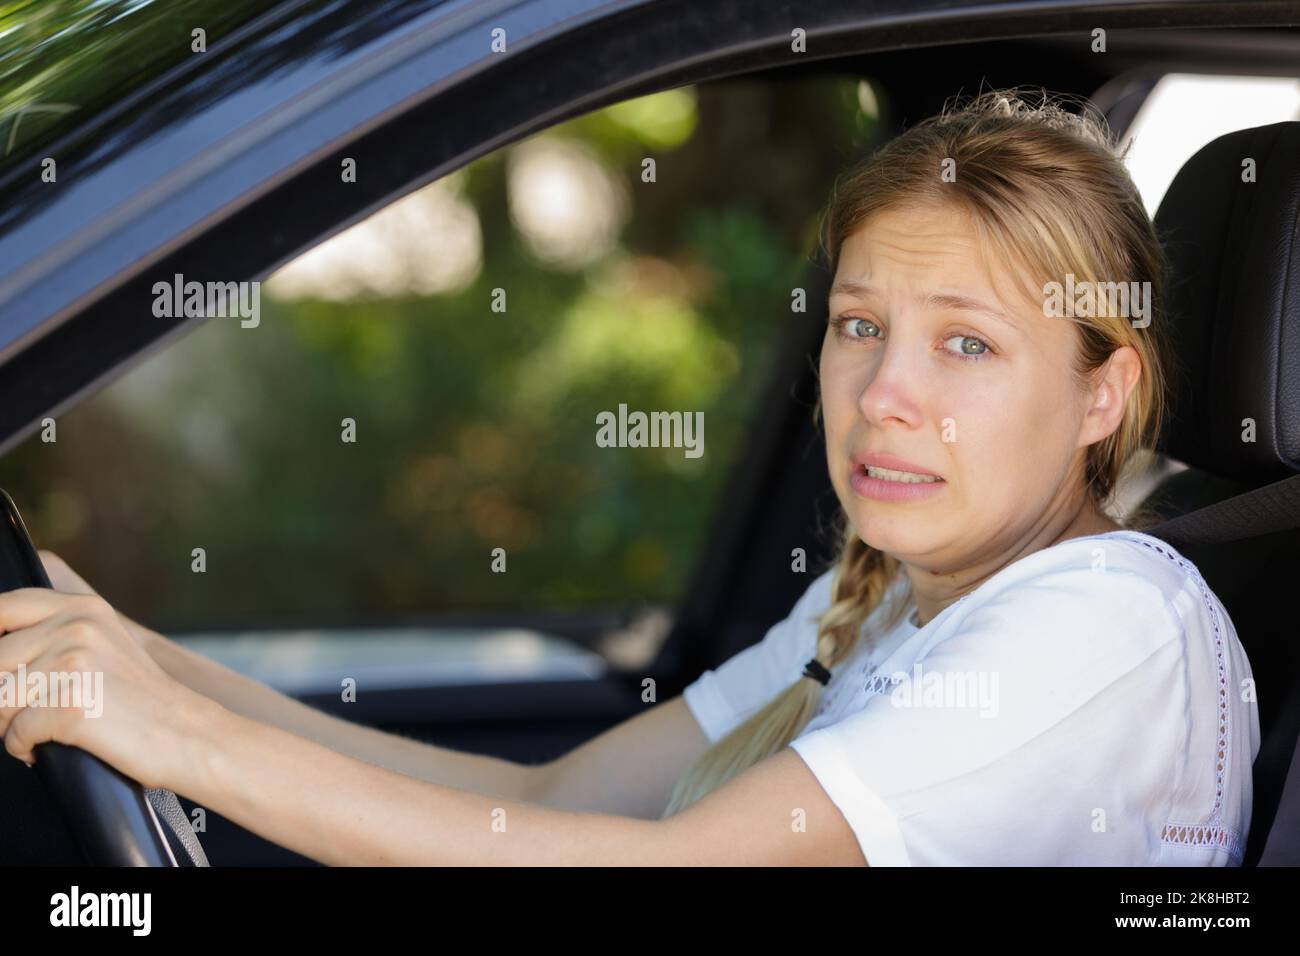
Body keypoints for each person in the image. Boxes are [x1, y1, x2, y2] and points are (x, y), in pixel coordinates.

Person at [0, 88, 1258, 865]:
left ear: (1103, 390)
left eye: (966, 343)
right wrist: (142, 659)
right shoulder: (885, 600)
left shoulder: (1105, 626)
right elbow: (537, 802)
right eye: (860, 323)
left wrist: (178, 738)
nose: (883, 394)